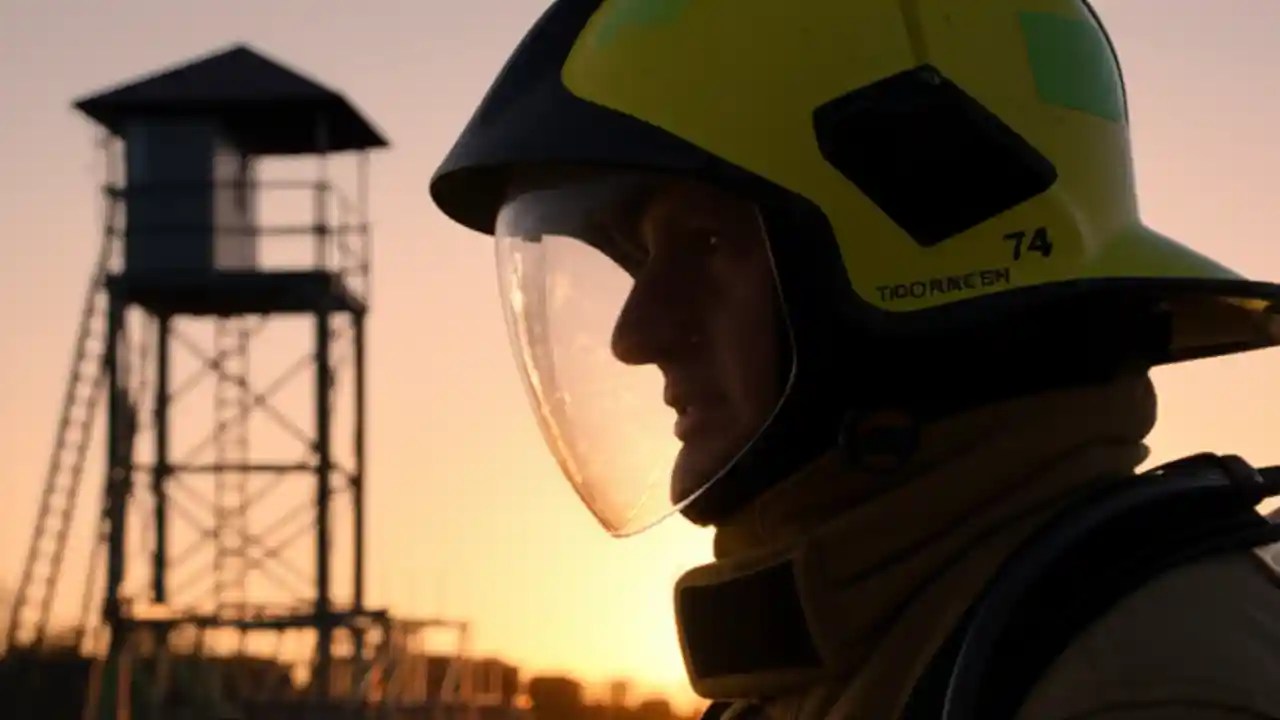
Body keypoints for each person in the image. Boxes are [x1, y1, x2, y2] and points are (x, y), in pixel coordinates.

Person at [429, 1, 1280, 718]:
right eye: (641, 260)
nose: (635, 333)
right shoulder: (856, 640)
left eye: (710, 241)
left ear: (928, 239)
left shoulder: (1148, 677)